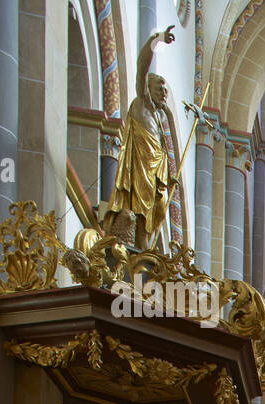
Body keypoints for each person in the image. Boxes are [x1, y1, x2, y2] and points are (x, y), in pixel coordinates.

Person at [101, 27, 178, 249]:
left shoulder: (158, 118)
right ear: (148, 88)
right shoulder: (142, 102)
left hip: (154, 169)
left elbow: (163, 150)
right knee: (140, 208)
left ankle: (145, 245)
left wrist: (170, 175)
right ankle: (141, 246)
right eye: (159, 88)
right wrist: (156, 40)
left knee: (159, 208)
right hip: (140, 167)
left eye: (165, 91)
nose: (163, 93)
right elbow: (142, 66)